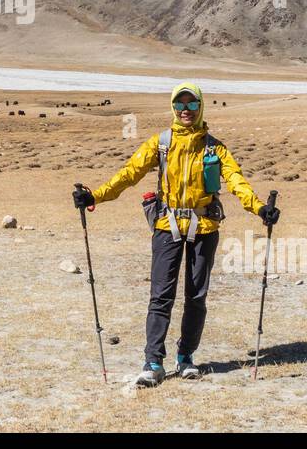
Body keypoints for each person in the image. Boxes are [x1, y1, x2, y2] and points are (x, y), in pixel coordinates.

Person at [72, 82, 278, 387]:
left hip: (205, 227)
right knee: (161, 296)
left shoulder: (215, 147)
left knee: (196, 296)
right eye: (180, 104)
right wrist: (95, 196)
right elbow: (129, 173)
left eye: (192, 104)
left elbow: (236, 182)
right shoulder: (161, 143)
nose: (185, 110)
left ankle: (186, 359)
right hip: (167, 227)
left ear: (200, 107)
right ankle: (153, 362)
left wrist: (260, 209)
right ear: (173, 107)